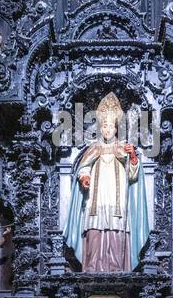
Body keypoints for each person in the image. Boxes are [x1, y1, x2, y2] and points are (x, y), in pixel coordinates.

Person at [63, 92, 149, 273]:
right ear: (100, 128)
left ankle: (116, 268)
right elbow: (84, 167)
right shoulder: (93, 148)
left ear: (116, 128)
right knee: (95, 230)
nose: (107, 130)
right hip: (96, 198)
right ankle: (93, 267)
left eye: (110, 126)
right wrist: (84, 177)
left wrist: (132, 156)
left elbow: (133, 176)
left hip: (117, 200)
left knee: (116, 230)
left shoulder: (123, 148)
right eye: (104, 126)